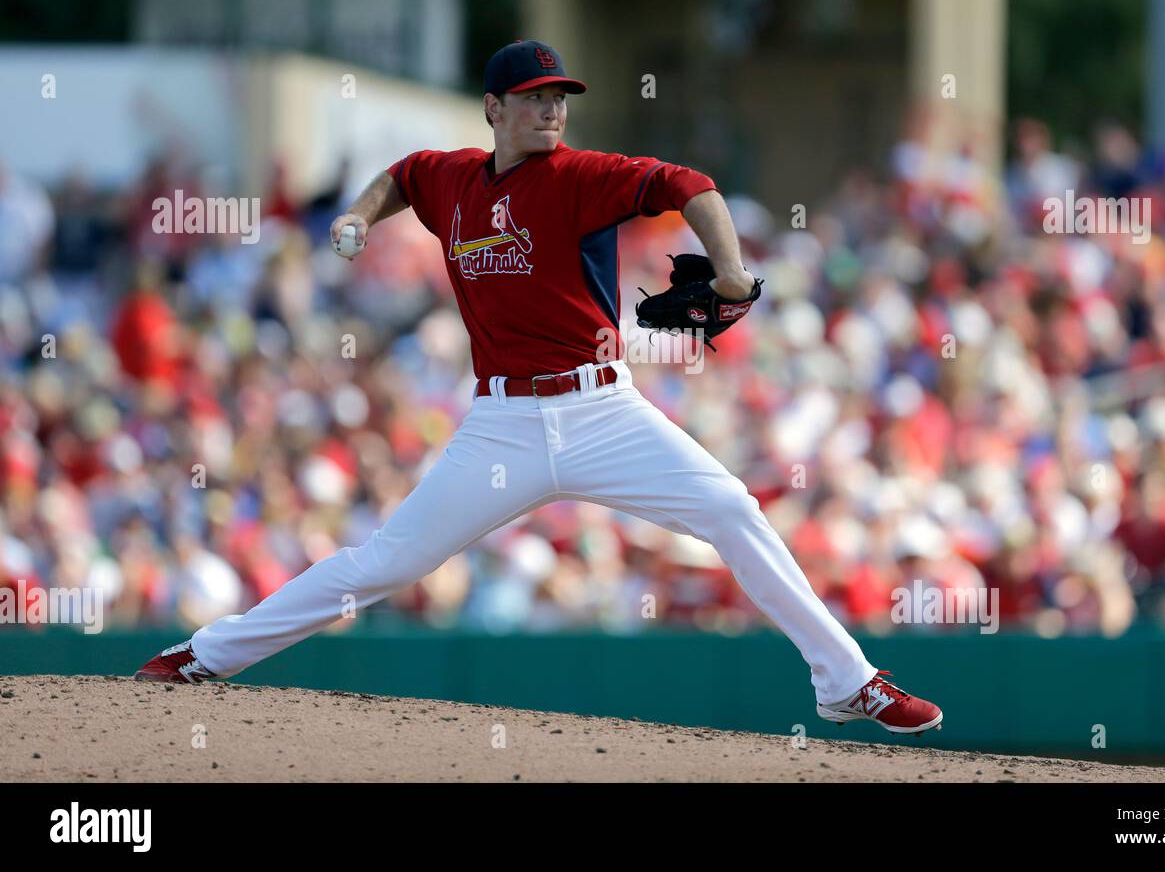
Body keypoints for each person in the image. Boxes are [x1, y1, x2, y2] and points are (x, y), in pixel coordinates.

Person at [133, 40, 943, 735]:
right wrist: (355, 215)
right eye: (533, 98)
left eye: (558, 97)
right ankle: (205, 654)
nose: (551, 110)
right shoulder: (450, 177)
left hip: (601, 409)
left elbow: (691, 183)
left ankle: (846, 683)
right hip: (503, 427)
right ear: (493, 108)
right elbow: (401, 178)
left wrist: (730, 271)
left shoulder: (578, 177)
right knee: (383, 562)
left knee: (733, 510)